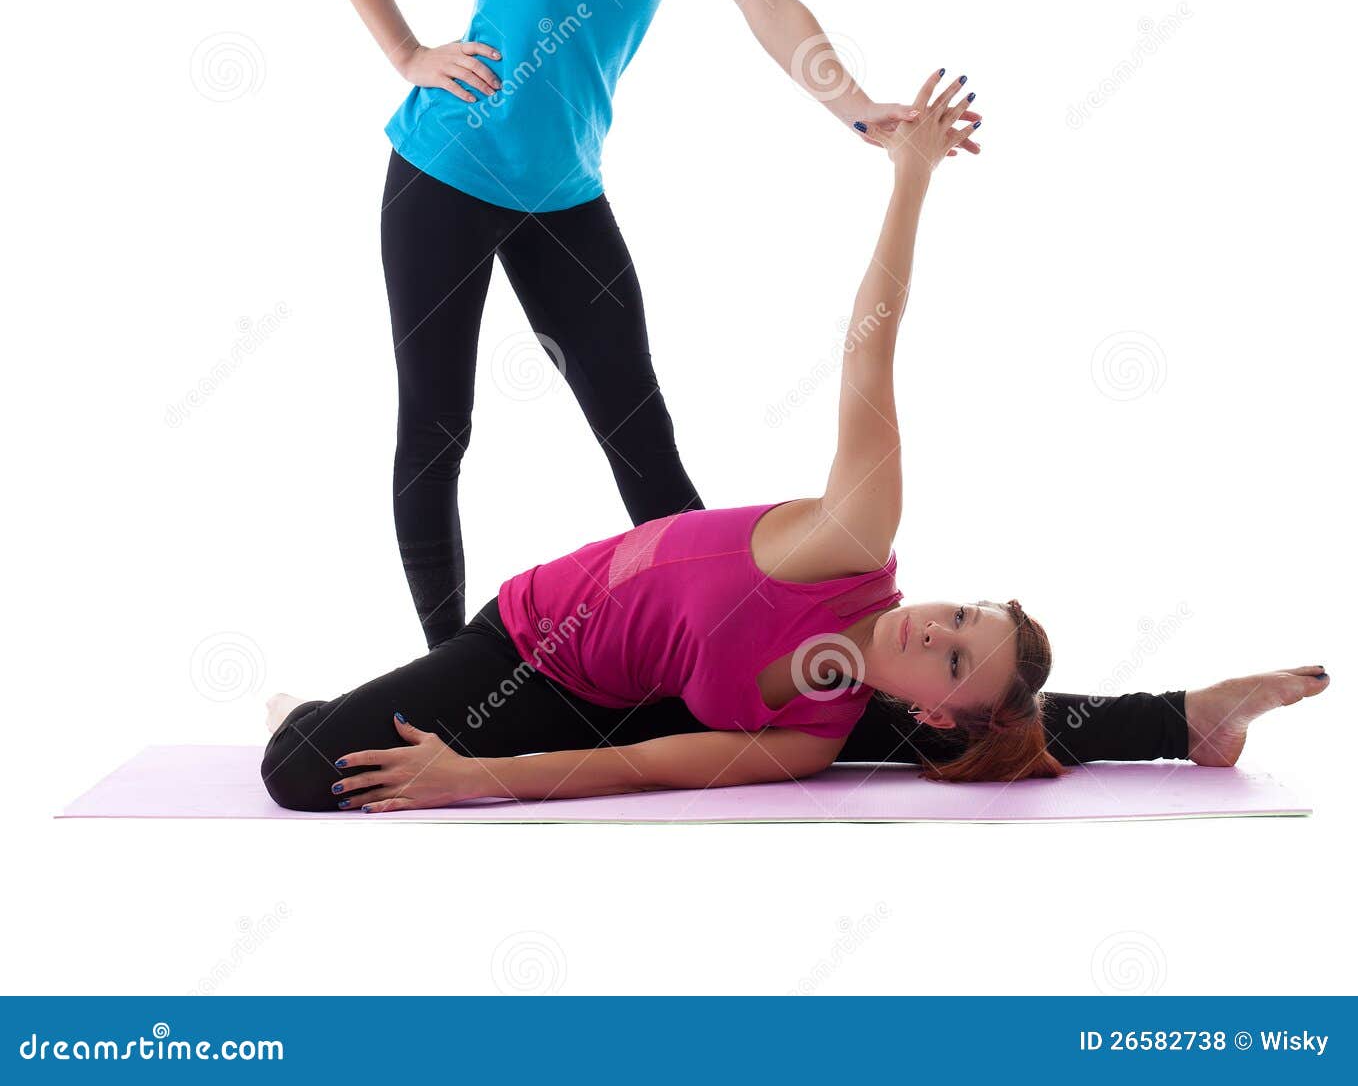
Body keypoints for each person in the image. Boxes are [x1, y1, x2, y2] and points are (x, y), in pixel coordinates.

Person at [260, 71, 1329, 811]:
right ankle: (1174, 715)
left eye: (951, 656)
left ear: (933, 699)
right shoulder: (852, 539)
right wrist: (910, 176)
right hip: (535, 647)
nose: (931, 628)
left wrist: (474, 781)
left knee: (897, 738)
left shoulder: (812, 735)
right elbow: (871, 347)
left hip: (646, 714)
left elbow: (638, 775)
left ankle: (1185, 716)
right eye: (956, 613)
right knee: (303, 757)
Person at [314, 0, 933, 651]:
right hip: (443, 174)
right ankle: (444, 677)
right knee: (436, 430)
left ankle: (729, 646)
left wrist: (857, 108)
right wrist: (406, 52)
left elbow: (770, 5)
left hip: (563, 191)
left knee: (638, 430)